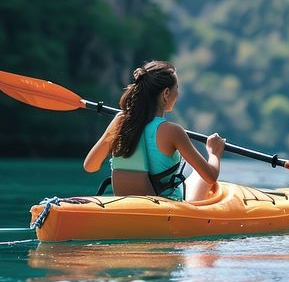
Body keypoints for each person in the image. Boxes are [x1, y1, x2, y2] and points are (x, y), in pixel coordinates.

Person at [83, 60, 225, 202]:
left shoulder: (120, 122)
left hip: (126, 206)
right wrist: (214, 153)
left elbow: (90, 166)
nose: (178, 93)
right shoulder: (173, 131)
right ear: (166, 93)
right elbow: (210, 176)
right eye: (177, 87)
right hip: (165, 209)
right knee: (199, 174)